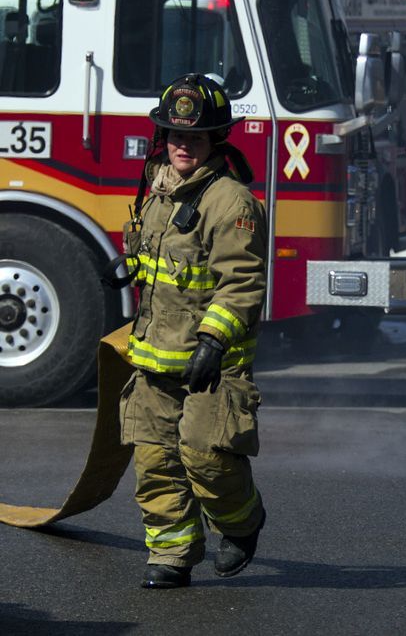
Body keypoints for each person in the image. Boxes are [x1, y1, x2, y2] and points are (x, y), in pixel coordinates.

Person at [119, 73, 268, 589]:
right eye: (177, 137)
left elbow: (242, 284)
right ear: (165, 138)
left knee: (206, 456)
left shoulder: (231, 202)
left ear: (214, 141)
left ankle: (242, 523)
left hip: (212, 362)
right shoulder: (156, 188)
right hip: (154, 357)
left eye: (196, 138)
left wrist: (213, 340)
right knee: (154, 460)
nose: (184, 146)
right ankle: (172, 555)